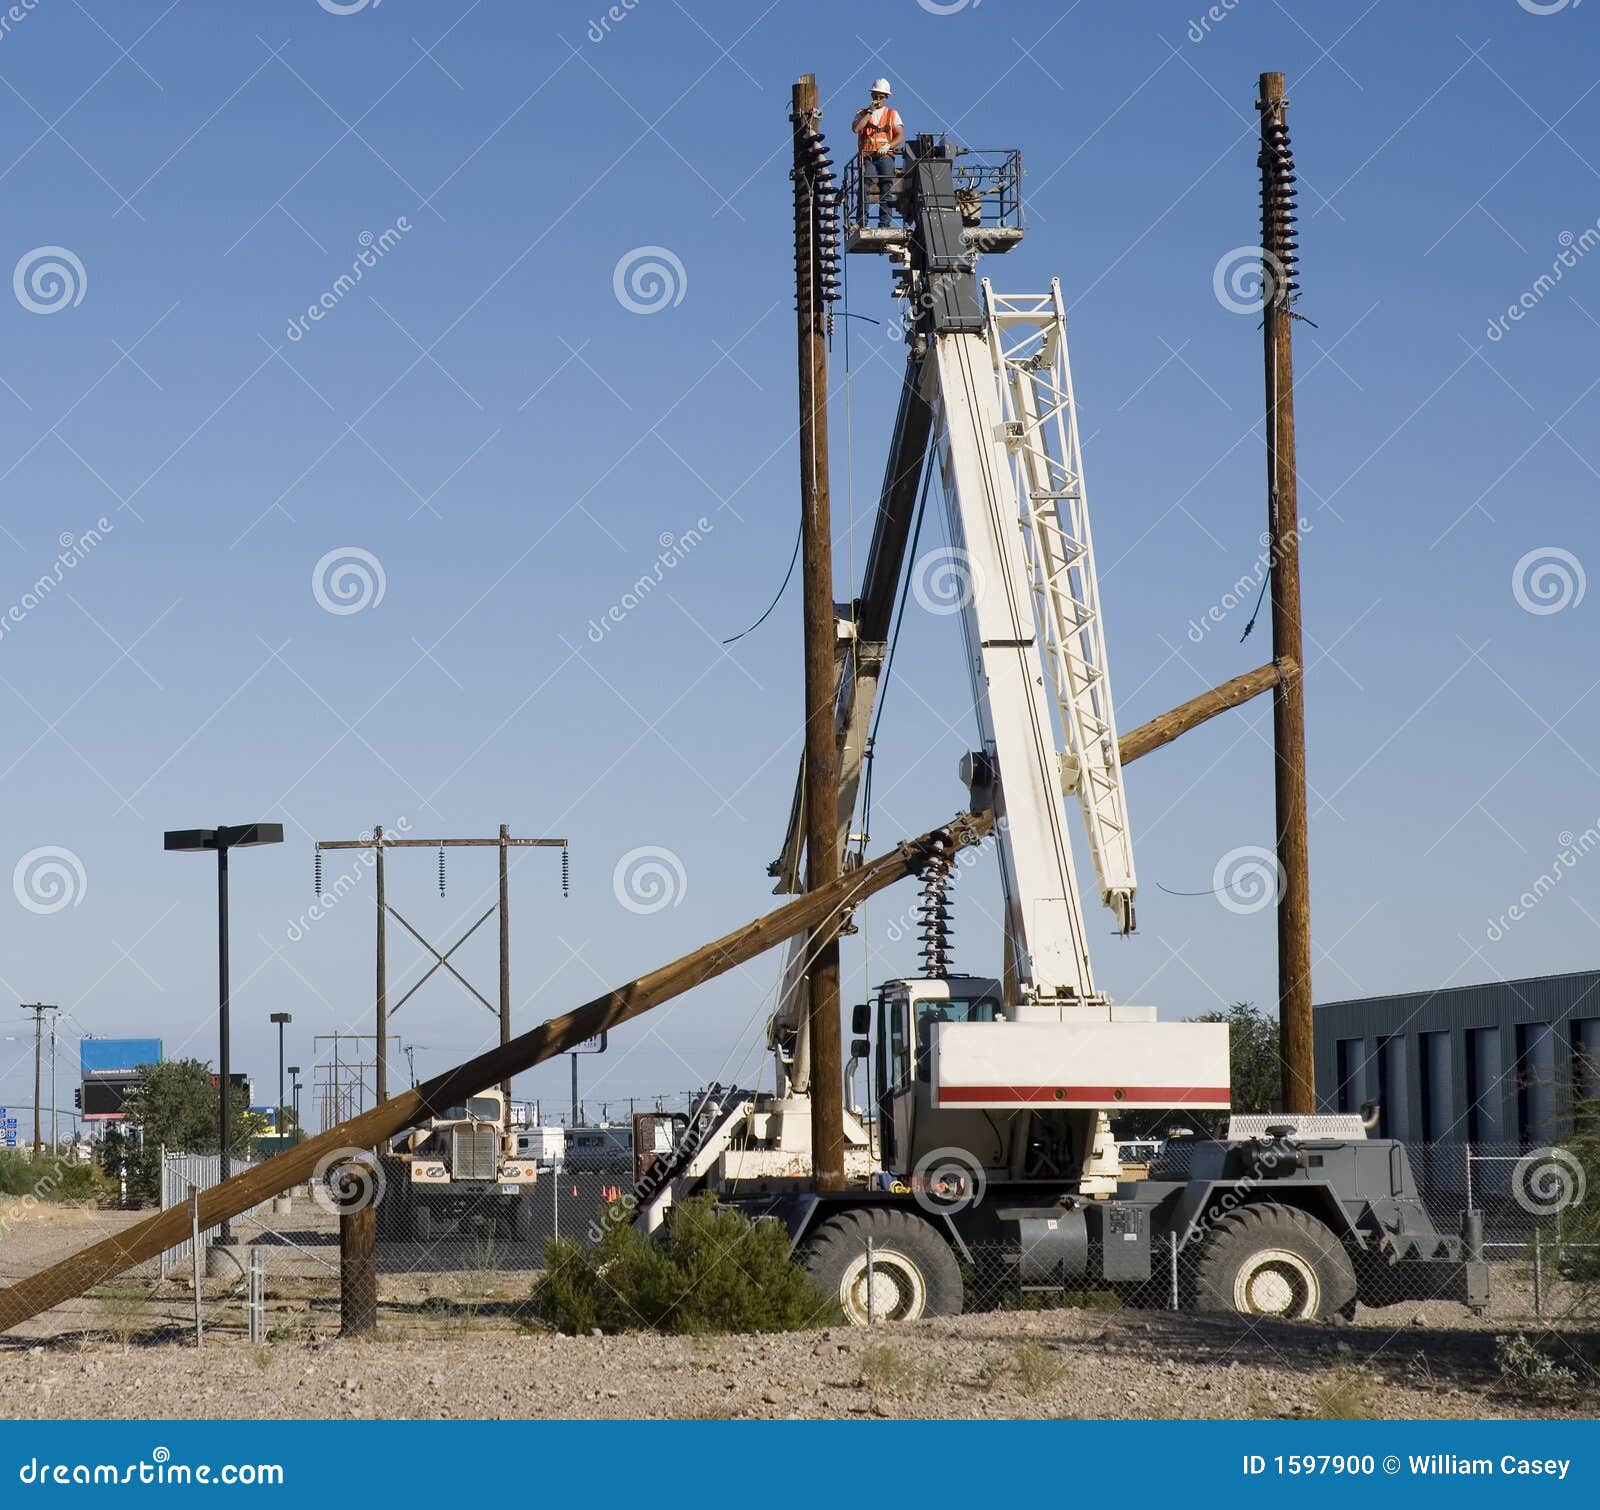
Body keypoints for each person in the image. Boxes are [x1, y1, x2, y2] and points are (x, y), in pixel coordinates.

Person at [852, 77, 904, 228]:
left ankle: (884, 223)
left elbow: (900, 136)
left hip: (885, 156)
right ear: (871, 95)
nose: (878, 98)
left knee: (886, 186)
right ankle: (862, 222)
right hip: (868, 156)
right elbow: (856, 129)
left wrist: (888, 146)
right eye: (875, 95)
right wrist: (869, 111)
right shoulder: (862, 113)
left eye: (881, 96)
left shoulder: (892, 114)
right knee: (865, 185)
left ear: (886, 97)